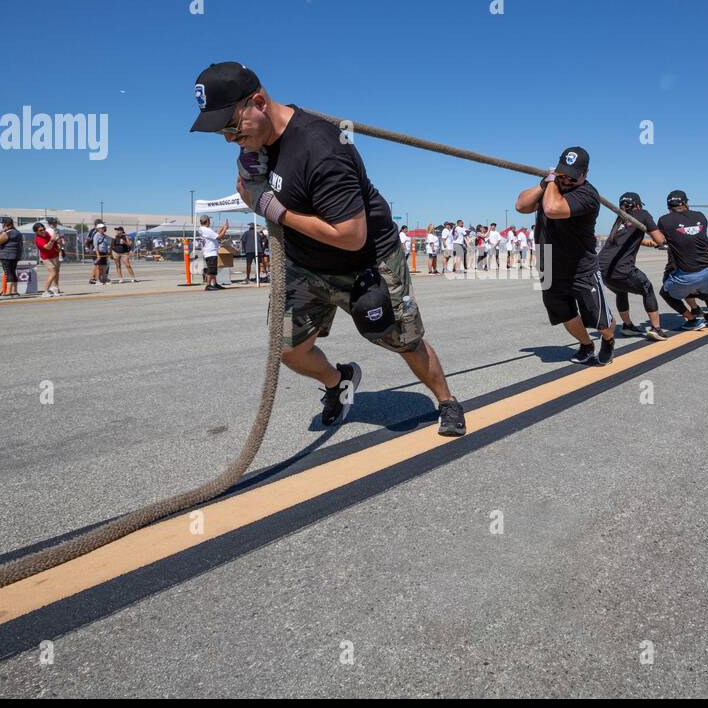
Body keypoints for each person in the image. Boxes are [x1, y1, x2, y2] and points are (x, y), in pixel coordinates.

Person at [192, 60, 465, 435]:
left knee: (404, 342)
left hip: (366, 262)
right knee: (288, 350)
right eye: (220, 131)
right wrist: (247, 168)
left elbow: (350, 234)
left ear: (258, 101)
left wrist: (274, 210)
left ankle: (447, 401)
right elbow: (248, 181)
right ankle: (340, 381)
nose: (227, 138)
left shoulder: (321, 148)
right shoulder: (258, 141)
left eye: (231, 126)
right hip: (305, 265)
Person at [515, 146, 617, 364]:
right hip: (550, 266)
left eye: (572, 177)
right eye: (563, 174)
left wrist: (552, 182)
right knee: (564, 313)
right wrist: (544, 182)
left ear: (585, 173)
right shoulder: (550, 186)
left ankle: (608, 340)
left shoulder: (588, 194)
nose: (566, 181)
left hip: (581, 266)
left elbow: (552, 209)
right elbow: (521, 206)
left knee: (600, 320)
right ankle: (587, 344)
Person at [599, 192, 667, 340]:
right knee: (647, 289)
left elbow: (625, 239)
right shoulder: (642, 214)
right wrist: (662, 240)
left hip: (602, 268)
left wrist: (645, 242)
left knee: (621, 292)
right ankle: (656, 328)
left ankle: (628, 326)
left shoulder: (620, 220)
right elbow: (659, 239)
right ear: (638, 205)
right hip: (621, 268)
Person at [654, 190, 708, 330]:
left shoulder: (664, 220)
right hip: (707, 268)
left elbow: (661, 240)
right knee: (706, 291)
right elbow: (699, 238)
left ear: (668, 206)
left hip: (687, 273)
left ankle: (692, 320)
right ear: (685, 203)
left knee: (665, 293)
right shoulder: (700, 216)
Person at [196, 215, 229, 290]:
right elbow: (219, 237)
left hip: (208, 252)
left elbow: (215, 234)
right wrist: (225, 229)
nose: (210, 222)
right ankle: (208, 285)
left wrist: (222, 228)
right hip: (211, 252)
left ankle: (214, 283)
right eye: (209, 220)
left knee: (213, 269)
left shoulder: (203, 229)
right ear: (207, 221)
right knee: (211, 270)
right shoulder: (206, 230)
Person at [32, 222, 63, 295]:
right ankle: (45, 291)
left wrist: (59, 243)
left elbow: (55, 243)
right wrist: (52, 240)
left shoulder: (47, 233)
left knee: (57, 273)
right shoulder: (38, 240)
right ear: (36, 232)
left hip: (55, 255)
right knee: (52, 273)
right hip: (46, 257)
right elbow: (48, 247)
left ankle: (55, 288)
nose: (43, 231)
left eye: (43, 229)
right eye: (40, 230)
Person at [0, 217, 23, 295]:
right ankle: (15, 290)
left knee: (8, 273)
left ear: (5, 224)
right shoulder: (18, 232)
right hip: (15, 255)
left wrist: (1, 233)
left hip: (7, 255)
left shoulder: (8, 233)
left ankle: (9, 291)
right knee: (12, 272)